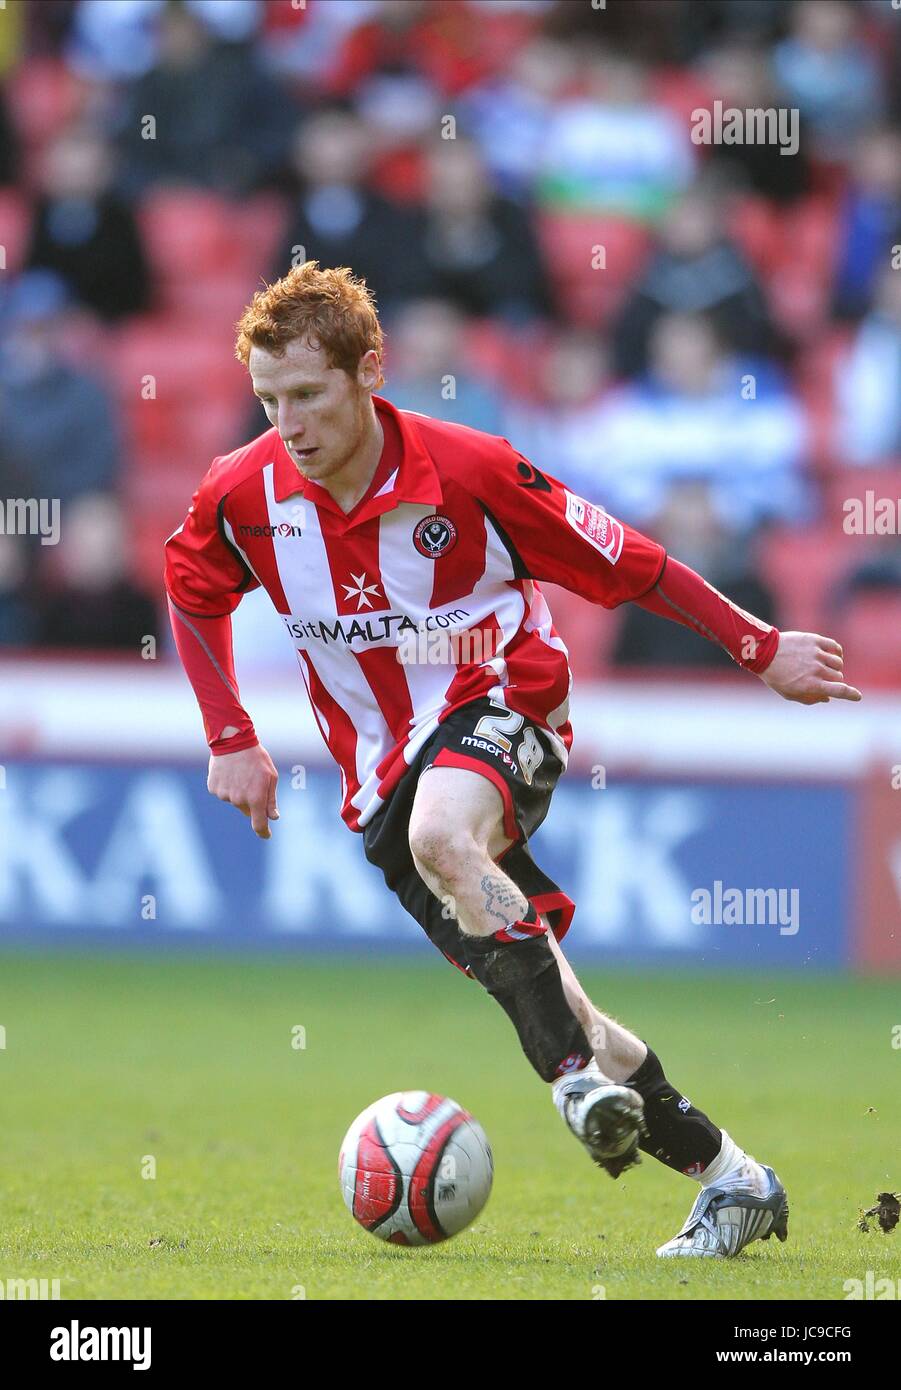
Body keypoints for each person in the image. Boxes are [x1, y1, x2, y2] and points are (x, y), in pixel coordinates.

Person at [164, 263, 860, 1258]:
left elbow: (629, 561)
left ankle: (570, 1079)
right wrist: (230, 733)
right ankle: (732, 1178)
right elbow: (190, 589)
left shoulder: (472, 468)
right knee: (556, 997)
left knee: (446, 833)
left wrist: (759, 646)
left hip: (504, 701)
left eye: (310, 395)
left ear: (369, 372)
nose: (291, 423)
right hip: (380, 777)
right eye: (270, 401)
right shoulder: (241, 493)